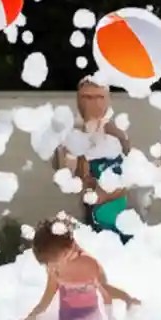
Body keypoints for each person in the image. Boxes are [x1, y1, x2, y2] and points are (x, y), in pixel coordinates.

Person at [19, 215, 139, 320]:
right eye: (47, 264)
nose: (51, 268)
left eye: (54, 262)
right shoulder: (53, 267)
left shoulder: (88, 265)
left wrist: (127, 299)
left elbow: (106, 291)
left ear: (68, 250)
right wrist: (33, 315)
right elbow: (48, 295)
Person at [61, 77, 134, 241]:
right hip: (98, 218)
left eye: (99, 97)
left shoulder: (117, 134)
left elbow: (132, 175)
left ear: (107, 100)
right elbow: (76, 180)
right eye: (87, 97)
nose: (93, 103)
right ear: (79, 101)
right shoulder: (73, 137)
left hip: (122, 218)